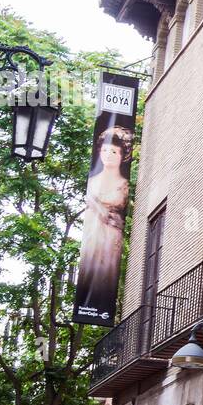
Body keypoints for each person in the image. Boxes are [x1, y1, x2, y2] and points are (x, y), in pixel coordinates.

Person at [74, 128, 133, 322]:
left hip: (111, 243)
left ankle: (101, 308)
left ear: (123, 155)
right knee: (90, 275)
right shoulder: (92, 183)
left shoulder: (123, 185)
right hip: (93, 240)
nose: (108, 155)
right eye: (105, 150)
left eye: (114, 151)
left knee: (105, 277)